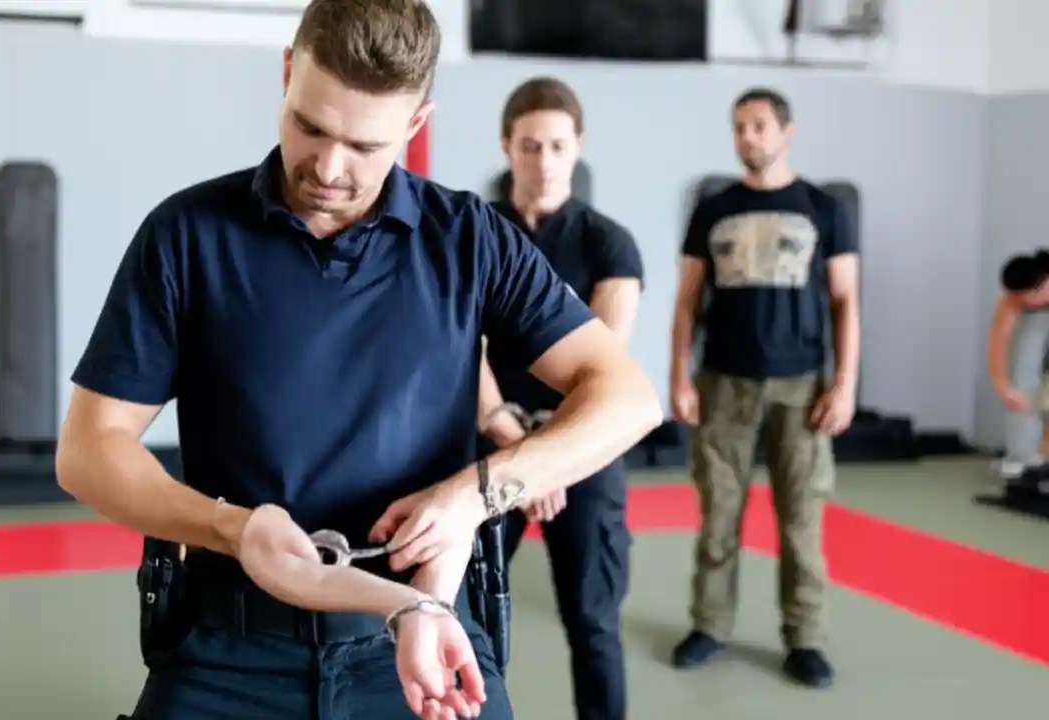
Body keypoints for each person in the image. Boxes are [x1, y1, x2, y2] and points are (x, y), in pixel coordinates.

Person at [54, 2, 664, 719]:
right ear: (288, 72)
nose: (328, 169)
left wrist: (475, 494)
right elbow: (88, 450)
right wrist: (231, 528)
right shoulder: (187, 236)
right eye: (310, 126)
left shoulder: (469, 238)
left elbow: (627, 398)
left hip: (423, 632)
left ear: (414, 123)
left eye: (366, 146)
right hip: (232, 645)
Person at [667, 87, 860, 689]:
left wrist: (845, 385)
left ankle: (805, 639)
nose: (747, 137)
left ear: (786, 131)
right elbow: (687, 300)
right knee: (718, 517)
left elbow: (846, 301)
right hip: (722, 384)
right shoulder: (713, 208)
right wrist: (678, 374)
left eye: (757, 126)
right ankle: (710, 626)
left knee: (801, 520)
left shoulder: (825, 208)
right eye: (738, 127)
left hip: (801, 389)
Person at [477, 77, 643, 720]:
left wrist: (551, 457)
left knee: (593, 620)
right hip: (492, 439)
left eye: (556, 145)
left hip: (584, 448)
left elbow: (604, 367)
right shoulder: (478, 232)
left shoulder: (609, 244)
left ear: (578, 147)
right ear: (506, 146)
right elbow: (464, 349)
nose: (543, 161)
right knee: (469, 615)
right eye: (529, 146)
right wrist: (509, 437)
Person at [986, 250, 1049, 478]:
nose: (1026, 301)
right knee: (1022, 378)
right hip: (1039, 324)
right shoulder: (1012, 299)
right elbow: (998, 342)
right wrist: (1004, 388)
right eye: (1020, 298)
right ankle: (1023, 457)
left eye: (1030, 296)